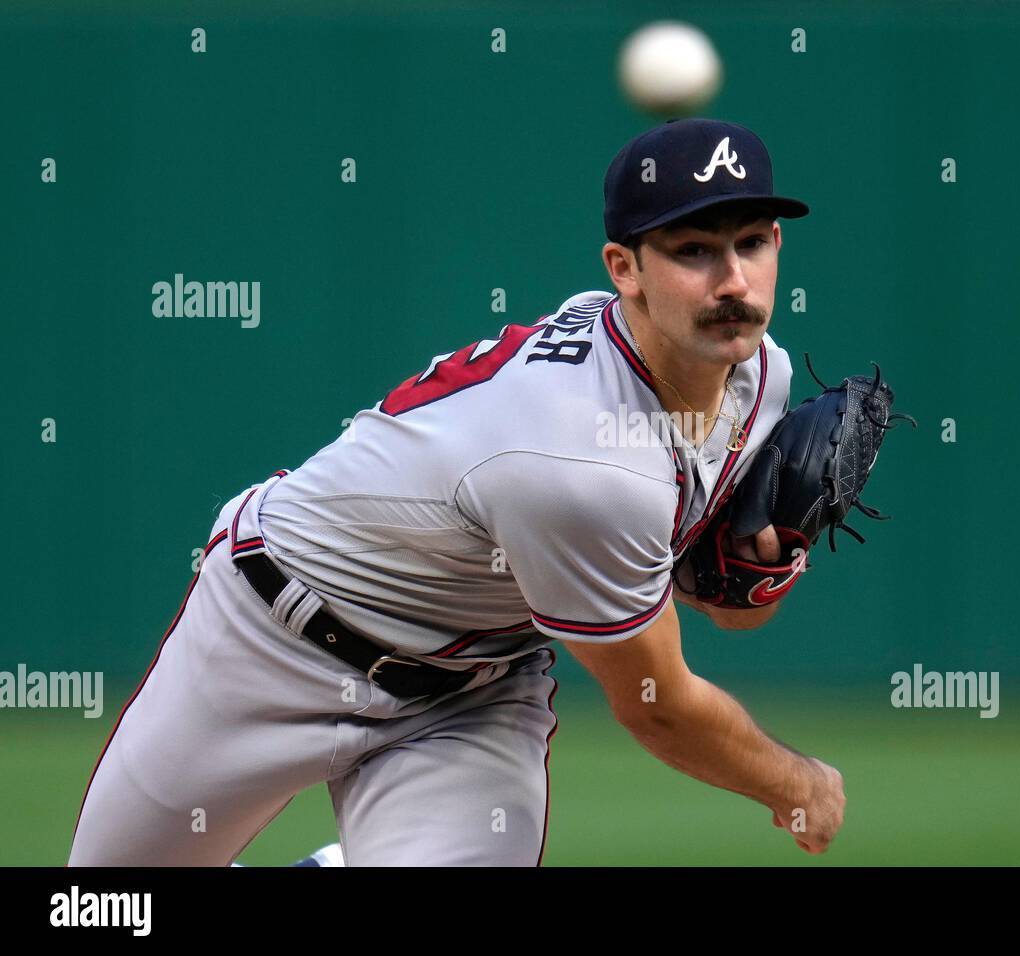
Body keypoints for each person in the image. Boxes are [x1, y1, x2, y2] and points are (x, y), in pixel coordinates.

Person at [69, 117, 845, 867]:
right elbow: (657, 705)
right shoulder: (579, 463)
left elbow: (726, 603)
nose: (733, 281)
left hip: (471, 690)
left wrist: (753, 571)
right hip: (271, 636)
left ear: (777, 244)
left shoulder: (758, 378)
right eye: (693, 250)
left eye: (749, 243)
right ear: (624, 269)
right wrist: (797, 785)